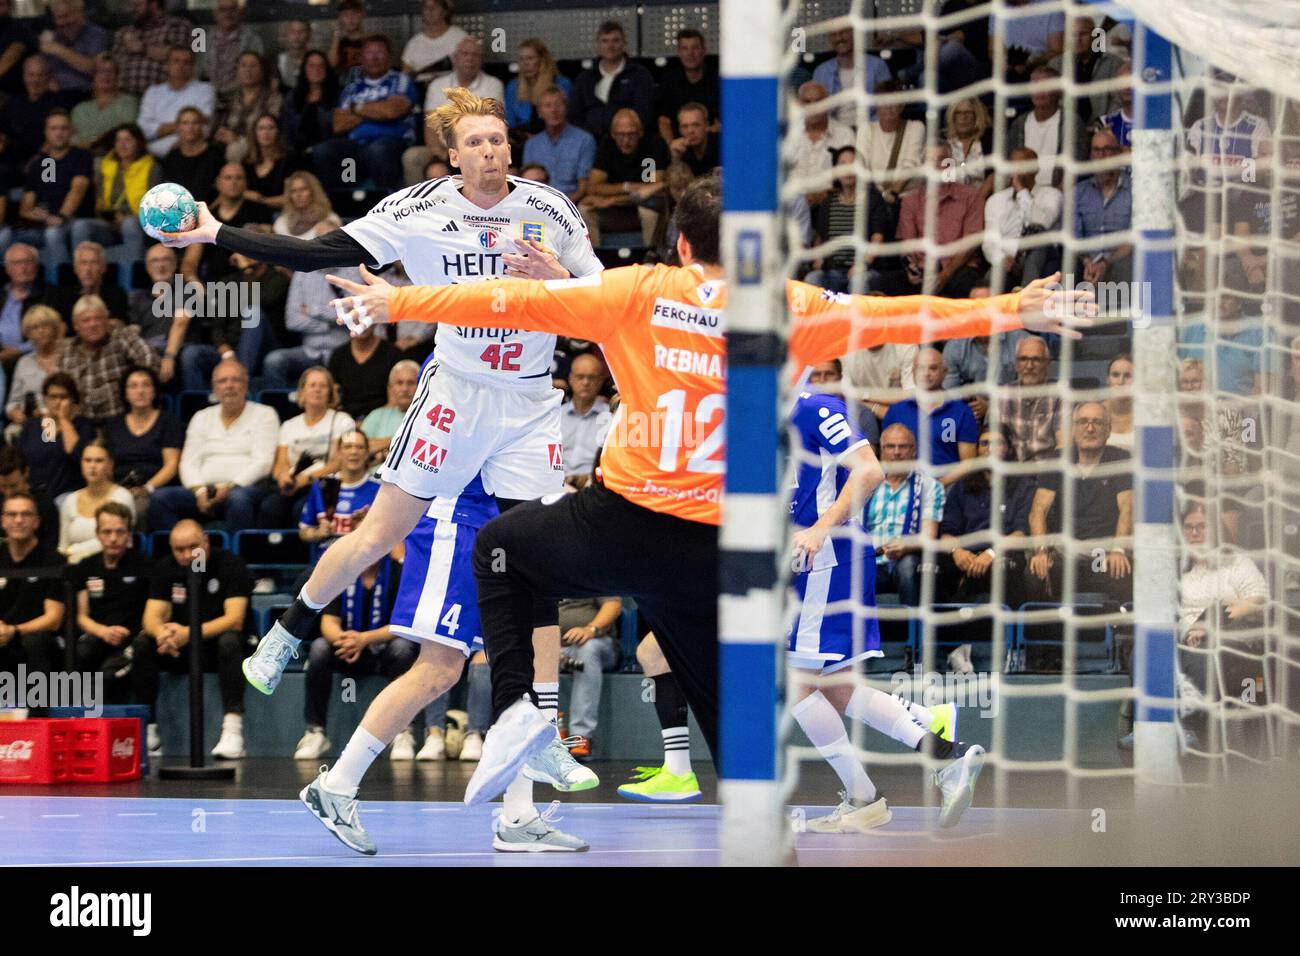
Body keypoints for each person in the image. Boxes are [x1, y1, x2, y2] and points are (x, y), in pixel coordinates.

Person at [324, 173, 1091, 816]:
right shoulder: (794, 307)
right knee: (741, 741)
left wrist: (395, 302)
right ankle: (764, 832)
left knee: (501, 550)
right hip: (715, 552)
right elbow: (900, 316)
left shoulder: (636, 289)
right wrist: (1011, 308)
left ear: (682, 244)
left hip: (620, 521)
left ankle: (524, 710)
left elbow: (506, 303)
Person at [159, 87, 609, 855]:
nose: (494, 152)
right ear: (454, 154)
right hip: (458, 395)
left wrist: (555, 278)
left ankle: (532, 771)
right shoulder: (419, 209)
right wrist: (217, 229)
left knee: (543, 571)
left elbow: (602, 302)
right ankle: (290, 630)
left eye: (501, 140)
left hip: (531, 404)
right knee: (381, 528)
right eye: (479, 143)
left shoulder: (551, 210)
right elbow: (320, 252)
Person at [784, 362, 983, 830]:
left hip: (825, 556)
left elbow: (870, 470)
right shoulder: (759, 414)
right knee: (834, 689)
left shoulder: (815, 406)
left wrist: (819, 528)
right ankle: (930, 744)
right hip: (807, 561)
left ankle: (873, 791)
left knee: (791, 686)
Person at [131, 519, 253, 758]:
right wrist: (162, 634)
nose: (188, 555)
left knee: (229, 641)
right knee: (143, 644)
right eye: (179, 549)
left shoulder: (229, 564)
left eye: (193, 547)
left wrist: (188, 633)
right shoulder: (166, 568)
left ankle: (233, 731)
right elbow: (151, 617)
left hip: (218, 648)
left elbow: (235, 619)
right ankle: (149, 732)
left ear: (206, 542)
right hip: (180, 649)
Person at [295, 551, 416, 762]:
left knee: (403, 648)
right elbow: (328, 623)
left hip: (384, 647)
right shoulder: (342, 573)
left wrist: (364, 639)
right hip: (348, 648)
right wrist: (347, 641)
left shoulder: (400, 572)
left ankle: (402, 732)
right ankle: (316, 732)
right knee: (319, 649)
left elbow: (404, 625)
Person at [148, 359, 278, 532]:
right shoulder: (201, 417)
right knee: (160, 498)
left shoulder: (265, 414)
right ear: (214, 388)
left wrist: (231, 486)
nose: (229, 385)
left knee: (238, 500)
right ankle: (182, 551)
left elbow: (263, 462)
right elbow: (188, 463)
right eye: (222, 381)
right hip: (204, 489)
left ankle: (234, 557)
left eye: (235, 380)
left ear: (246, 385)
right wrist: (199, 491)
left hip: (246, 488)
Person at [1027, 401, 1133, 605]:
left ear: (1108, 430)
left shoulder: (1120, 458)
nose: (1090, 428)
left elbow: (1128, 507)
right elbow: (1038, 510)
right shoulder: (1058, 459)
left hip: (1101, 554)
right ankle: (1047, 635)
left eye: (1097, 423)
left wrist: (1119, 550)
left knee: (1121, 573)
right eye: (1083, 422)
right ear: (1073, 429)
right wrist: (1040, 551)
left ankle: (1116, 633)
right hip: (1064, 555)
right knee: (1034, 575)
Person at [938, 429, 1034, 612]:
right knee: (932, 569)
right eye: (984, 443)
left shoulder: (1023, 484)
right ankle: (944, 637)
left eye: (998, 443)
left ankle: (1012, 638)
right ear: (977, 450)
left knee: (1003, 567)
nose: (990, 449)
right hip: (966, 554)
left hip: (1003, 553)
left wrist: (990, 554)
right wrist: (956, 551)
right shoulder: (962, 486)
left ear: (1008, 449)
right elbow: (947, 532)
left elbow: (1021, 533)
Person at [313, 34, 416, 196]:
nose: (374, 58)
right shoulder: (352, 88)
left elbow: (391, 111)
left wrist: (356, 109)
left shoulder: (401, 80)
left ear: (389, 57)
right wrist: (378, 109)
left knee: (378, 150)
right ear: (361, 57)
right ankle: (345, 200)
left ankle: (387, 203)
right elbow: (338, 124)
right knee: (325, 151)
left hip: (393, 144)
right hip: (357, 147)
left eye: (380, 52)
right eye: (369, 53)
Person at [70, 501, 150, 704]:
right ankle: (75, 720)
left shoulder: (145, 566)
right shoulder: (86, 566)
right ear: (97, 533)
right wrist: (103, 632)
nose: (113, 538)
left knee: (108, 676)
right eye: (107, 532)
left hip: (131, 640)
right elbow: (81, 616)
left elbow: (154, 611)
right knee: (77, 655)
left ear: (129, 533)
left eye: (120, 532)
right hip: (98, 636)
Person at [260, 366, 355, 528]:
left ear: (330, 393)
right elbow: (281, 462)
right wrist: (283, 477)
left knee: (301, 509)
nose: (317, 390)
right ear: (302, 392)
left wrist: (305, 479)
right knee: (269, 507)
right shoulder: (289, 425)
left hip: (324, 485)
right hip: (292, 484)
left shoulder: (342, 420)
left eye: (323, 386)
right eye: (312, 385)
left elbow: (338, 462)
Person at [262, 225, 355, 389]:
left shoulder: (354, 271)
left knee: (342, 364)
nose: (327, 246)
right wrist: (330, 322)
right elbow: (292, 320)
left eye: (333, 240)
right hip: (308, 350)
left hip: (342, 349)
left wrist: (311, 311)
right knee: (274, 361)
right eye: (322, 241)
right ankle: (283, 409)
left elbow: (352, 315)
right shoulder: (303, 272)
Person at [864, 423, 945, 606]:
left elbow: (928, 535)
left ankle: (914, 632)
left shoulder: (930, 486)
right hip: (868, 562)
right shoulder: (865, 485)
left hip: (904, 563)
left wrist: (906, 546)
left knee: (908, 566)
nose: (897, 452)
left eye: (903, 446)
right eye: (890, 446)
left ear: (914, 451)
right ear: (881, 451)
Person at [14, 110, 95, 281]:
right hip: (42, 224)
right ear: (46, 132)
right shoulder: (39, 163)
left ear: (71, 131)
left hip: (74, 221)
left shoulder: (81, 156)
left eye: (64, 128)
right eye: (53, 128)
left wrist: (61, 217)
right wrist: (33, 214)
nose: (58, 132)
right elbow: (26, 205)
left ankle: (64, 286)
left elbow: (77, 189)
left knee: (53, 233)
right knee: (6, 235)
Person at [898, 143, 985, 297]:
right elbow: (908, 244)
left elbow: (970, 244)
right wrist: (912, 269)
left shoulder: (971, 196)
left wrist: (945, 275)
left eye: (942, 160)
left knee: (972, 288)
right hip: (923, 269)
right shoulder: (910, 200)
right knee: (878, 285)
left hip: (959, 268)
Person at [881, 348, 979, 485]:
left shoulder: (962, 411)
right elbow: (885, 457)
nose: (926, 374)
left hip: (948, 489)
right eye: (921, 368)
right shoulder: (896, 411)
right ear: (913, 372)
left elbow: (968, 463)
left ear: (945, 372)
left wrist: (938, 487)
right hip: (903, 488)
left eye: (933, 368)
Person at [58, 294, 158, 422]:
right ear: (76, 326)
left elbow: (149, 359)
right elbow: (59, 389)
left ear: (107, 321)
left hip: (122, 421)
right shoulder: (66, 352)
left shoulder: (122, 336)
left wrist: (133, 389)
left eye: (98, 318)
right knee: (47, 433)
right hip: (82, 424)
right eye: (86, 320)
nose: (93, 324)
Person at [0, 491, 64, 689]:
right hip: (2, 636)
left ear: (36, 521)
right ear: (3, 521)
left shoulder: (54, 561)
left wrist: (14, 630)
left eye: (26, 514)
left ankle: (38, 716)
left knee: (34, 643)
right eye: (12, 514)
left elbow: (53, 620)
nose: (18, 520)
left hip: (38, 639)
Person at [100, 365, 182, 521]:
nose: (140, 391)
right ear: (126, 393)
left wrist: (147, 488)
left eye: (146, 384)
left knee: (127, 509)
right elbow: (106, 465)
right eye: (133, 386)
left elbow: (171, 465)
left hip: (154, 489)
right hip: (118, 488)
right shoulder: (113, 425)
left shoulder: (168, 422)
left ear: (154, 391)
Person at [580, 107, 668, 247]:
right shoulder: (607, 145)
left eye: (631, 135)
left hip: (642, 208)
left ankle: (649, 259)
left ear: (640, 133)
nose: (626, 140)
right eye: (621, 135)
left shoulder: (652, 145)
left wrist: (613, 199)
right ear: (613, 134)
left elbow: (653, 191)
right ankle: (596, 263)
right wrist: (626, 186)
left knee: (648, 212)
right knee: (584, 209)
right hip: (616, 212)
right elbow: (593, 187)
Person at [982, 146, 1062, 291]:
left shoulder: (1051, 195)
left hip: (1044, 258)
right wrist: (1002, 259)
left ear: (1036, 169)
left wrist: (1022, 192)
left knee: (1037, 231)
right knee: (994, 274)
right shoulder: (995, 200)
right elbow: (989, 242)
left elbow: (1040, 224)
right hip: (1009, 258)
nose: (1017, 170)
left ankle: (1027, 291)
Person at [298, 428, 380, 562]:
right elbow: (303, 531)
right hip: (324, 564)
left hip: (363, 563)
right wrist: (318, 533)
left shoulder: (378, 489)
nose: (354, 452)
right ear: (339, 453)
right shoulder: (322, 486)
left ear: (366, 453)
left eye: (359, 447)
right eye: (348, 447)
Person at [558, 595, 623, 758]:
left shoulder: (591, 569)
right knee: (533, 656)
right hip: (557, 651)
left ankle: (581, 736)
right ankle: (550, 733)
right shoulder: (540, 574)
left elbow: (613, 605)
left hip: (596, 644)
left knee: (586, 650)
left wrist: (590, 629)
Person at [567, 20, 655, 139]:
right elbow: (573, 116)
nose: (610, 46)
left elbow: (644, 114)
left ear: (624, 44)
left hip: (628, 140)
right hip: (591, 142)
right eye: (605, 41)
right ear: (598, 45)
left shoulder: (640, 75)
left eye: (616, 40)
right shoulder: (584, 78)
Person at [20, 371, 95, 500]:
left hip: (69, 494)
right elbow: (23, 460)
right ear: (45, 398)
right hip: (36, 494)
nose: (58, 402)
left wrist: (63, 419)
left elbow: (77, 454)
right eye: (53, 397)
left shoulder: (83, 426)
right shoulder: (32, 426)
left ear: (73, 399)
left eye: (63, 397)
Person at [59, 439, 135, 563]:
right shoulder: (70, 500)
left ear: (110, 464)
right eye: (87, 460)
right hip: (74, 569)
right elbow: (63, 545)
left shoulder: (123, 497)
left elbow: (119, 541)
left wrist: (74, 552)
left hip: (114, 564)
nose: (92, 466)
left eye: (99, 461)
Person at [1073, 128, 1133, 286]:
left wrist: (1104, 263)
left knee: (1126, 266)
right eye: (1097, 151)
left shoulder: (1136, 190)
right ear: (1091, 156)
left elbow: (1133, 238)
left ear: (1118, 153)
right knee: (1063, 267)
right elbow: (1074, 236)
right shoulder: (1079, 192)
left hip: (1121, 261)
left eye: (1107, 150)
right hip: (1086, 262)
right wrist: (1088, 262)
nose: (1101, 156)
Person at [137, 46, 215, 158]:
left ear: (193, 67)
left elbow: (202, 124)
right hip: (151, 151)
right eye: (176, 61)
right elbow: (143, 128)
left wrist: (160, 129)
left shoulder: (205, 90)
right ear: (167, 66)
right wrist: (183, 127)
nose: (181, 66)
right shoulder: (153, 92)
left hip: (186, 149)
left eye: (186, 62)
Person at [521, 87, 595, 203]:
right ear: (540, 112)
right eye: (548, 106)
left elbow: (583, 188)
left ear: (566, 108)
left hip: (571, 204)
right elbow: (527, 185)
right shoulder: (532, 144)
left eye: (558, 105)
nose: (554, 110)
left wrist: (561, 208)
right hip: (538, 204)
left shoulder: (584, 140)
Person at [810, 25, 889, 126]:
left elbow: (887, 105)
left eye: (843, 33)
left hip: (870, 129)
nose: (839, 38)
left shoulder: (878, 65)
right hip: (834, 132)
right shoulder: (821, 71)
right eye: (834, 35)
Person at [110, 0, 192, 97]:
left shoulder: (177, 26)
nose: (133, 10)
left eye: (138, 5)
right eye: (131, 6)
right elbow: (112, 65)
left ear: (153, 4)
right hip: (124, 98)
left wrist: (143, 48)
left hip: (162, 96)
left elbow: (180, 56)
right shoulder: (124, 32)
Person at [1000, 334, 1061, 462]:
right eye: (1023, 359)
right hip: (1010, 474)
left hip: (1046, 474)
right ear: (1016, 364)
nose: (1029, 366)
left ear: (1048, 364)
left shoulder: (1060, 396)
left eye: (1036, 359)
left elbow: (1064, 445)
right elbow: (991, 440)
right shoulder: (1002, 395)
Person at [789, 83, 853, 202]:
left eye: (818, 101)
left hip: (831, 203)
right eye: (807, 101)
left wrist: (822, 196)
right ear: (798, 104)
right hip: (792, 205)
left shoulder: (845, 134)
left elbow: (850, 177)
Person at [5, 305, 63, 434]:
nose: (40, 331)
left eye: (45, 326)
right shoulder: (24, 363)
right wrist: (14, 412)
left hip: (63, 420)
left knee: (47, 436)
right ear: (28, 334)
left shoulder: (69, 357)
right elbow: (12, 402)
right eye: (34, 328)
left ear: (54, 328)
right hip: (31, 422)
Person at [654, 29, 718, 144]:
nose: (690, 53)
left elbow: (721, 124)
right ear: (679, 52)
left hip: (711, 146)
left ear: (704, 50)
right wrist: (672, 149)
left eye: (695, 48)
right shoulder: (669, 81)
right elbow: (664, 121)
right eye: (685, 48)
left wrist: (695, 136)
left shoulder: (717, 81)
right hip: (678, 145)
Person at [326, 321, 398, 421]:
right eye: (355, 319)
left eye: (365, 319)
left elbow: (396, 397)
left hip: (382, 419)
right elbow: (333, 395)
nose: (360, 324)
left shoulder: (393, 354)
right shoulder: (338, 355)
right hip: (345, 419)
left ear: (375, 322)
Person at [560, 352, 612, 486]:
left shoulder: (612, 418)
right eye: (580, 377)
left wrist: (591, 478)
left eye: (592, 377)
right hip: (555, 484)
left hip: (593, 486)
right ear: (570, 378)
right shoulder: (555, 416)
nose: (585, 382)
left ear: (601, 381)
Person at [51, 242, 131, 329]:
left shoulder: (117, 294)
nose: (88, 269)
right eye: (83, 263)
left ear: (103, 268)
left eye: (94, 263)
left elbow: (119, 325)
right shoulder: (63, 297)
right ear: (75, 269)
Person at [40, 0, 110, 97]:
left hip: (84, 94)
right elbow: (43, 66)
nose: (62, 22)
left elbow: (95, 68)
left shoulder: (97, 34)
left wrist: (60, 50)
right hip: (55, 95)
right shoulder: (54, 36)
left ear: (80, 13)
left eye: (66, 16)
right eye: (58, 18)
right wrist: (49, 79)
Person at [279, 50, 338, 165]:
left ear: (327, 70)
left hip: (328, 152)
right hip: (298, 152)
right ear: (304, 69)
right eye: (311, 66)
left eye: (321, 65)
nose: (316, 70)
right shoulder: (293, 97)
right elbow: (286, 129)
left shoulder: (338, 95)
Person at [201, 0, 264, 108]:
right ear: (215, 13)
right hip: (207, 99)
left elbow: (256, 73)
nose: (227, 14)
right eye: (223, 10)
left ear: (239, 12)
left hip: (241, 100)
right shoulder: (201, 39)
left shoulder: (253, 40)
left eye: (232, 9)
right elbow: (196, 72)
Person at [70, 55, 139, 151]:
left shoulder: (128, 102)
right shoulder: (80, 108)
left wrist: (93, 142)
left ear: (117, 76)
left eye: (110, 71)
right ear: (93, 76)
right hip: (80, 157)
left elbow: (126, 132)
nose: (106, 75)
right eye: (100, 71)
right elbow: (69, 137)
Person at [503, 38, 569, 135]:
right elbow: (510, 124)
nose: (525, 63)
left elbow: (566, 119)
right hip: (521, 140)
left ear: (542, 60)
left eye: (530, 58)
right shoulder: (513, 87)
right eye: (522, 59)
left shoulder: (561, 84)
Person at [159, 106, 224, 202]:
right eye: (185, 123)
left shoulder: (215, 154)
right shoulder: (172, 157)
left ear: (202, 126)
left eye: (195, 122)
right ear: (177, 127)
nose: (190, 127)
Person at [0, 448, 60, 551]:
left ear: (26, 473)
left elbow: (51, 547)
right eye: (3, 486)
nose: (8, 493)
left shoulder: (45, 505)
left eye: (13, 486)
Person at [359, 359, 419, 461]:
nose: (404, 388)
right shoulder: (377, 415)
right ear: (391, 388)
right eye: (399, 383)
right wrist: (401, 440)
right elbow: (359, 448)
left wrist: (381, 448)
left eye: (411, 383)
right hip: (372, 476)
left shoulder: (429, 418)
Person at [400, 0, 465, 81]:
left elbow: (470, 73)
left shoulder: (460, 37)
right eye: (426, 7)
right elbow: (404, 79)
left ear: (445, 11)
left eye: (435, 6)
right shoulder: (414, 43)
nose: (429, 10)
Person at [273, 170, 340, 240]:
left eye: (303, 189)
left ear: (314, 192)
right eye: (293, 191)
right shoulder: (281, 222)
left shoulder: (330, 219)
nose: (298, 195)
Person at [666, 102, 719, 179]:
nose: (690, 131)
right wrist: (675, 158)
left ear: (707, 126)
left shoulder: (723, 145)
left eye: (696, 125)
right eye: (685, 126)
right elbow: (675, 185)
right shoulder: (679, 149)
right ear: (680, 130)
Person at [1103, 353, 1135, 450]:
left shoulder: (1148, 415)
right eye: (1115, 375)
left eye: (1128, 375)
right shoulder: (1096, 413)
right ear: (1108, 380)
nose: (1121, 382)